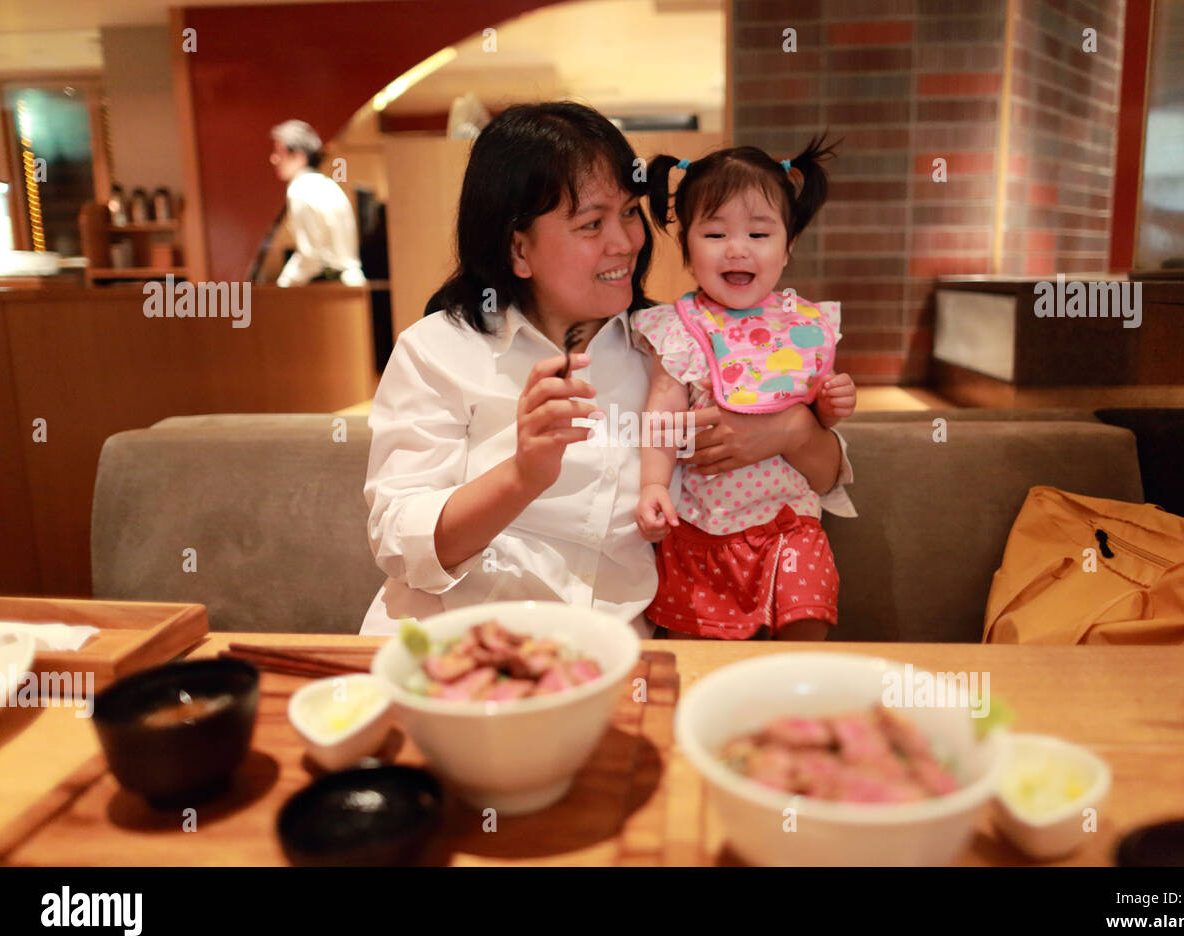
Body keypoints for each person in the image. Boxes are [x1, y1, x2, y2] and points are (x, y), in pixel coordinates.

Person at [359, 102, 855, 640]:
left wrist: (793, 428)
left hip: (612, 655)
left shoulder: (671, 346)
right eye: (592, 223)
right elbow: (400, 544)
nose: (625, 242)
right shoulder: (438, 351)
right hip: (452, 641)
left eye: (628, 212)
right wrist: (522, 476)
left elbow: (819, 478)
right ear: (518, 249)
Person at [632, 138, 857, 641]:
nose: (737, 247)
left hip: (789, 526)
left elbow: (815, 416)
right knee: (696, 653)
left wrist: (832, 403)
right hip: (701, 528)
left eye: (759, 232)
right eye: (714, 233)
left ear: (789, 244)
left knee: (806, 627)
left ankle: (800, 712)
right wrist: (651, 484)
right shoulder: (679, 330)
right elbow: (662, 414)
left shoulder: (803, 326)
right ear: (687, 245)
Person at [269, 119, 366, 287]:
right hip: (351, 283)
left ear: (299, 156)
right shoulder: (329, 185)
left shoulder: (300, 190)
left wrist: (283, 286)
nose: (274, 159)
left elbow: (310, 257)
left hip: (325, 289)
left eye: (280, 152)